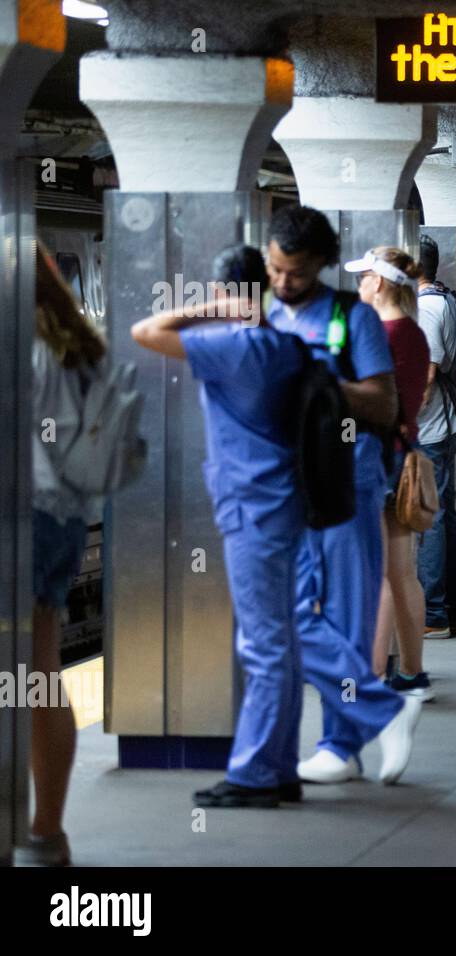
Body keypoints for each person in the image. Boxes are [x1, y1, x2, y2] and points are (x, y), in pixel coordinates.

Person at [130, 246, 312, 809]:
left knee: (261, 643)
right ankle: (279, 766)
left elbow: (146, 330)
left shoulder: (230, 346)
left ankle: (256, 772)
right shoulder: (286, 343)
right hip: (285, 504)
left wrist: (211, 309)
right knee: (281, 637)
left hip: (251, 508)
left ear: (226, 292)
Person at [265, 207, 422, 785]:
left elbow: (384, 404)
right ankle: (380, 709)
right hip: (286, 487)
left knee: (348, 616)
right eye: (277, 270)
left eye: (298, 273)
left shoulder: (350, 319)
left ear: (323, 267)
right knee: (286, 614)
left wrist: (320, 383)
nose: (285, 284)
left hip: (346, 483)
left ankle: (341, 743)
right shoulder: (267, 314)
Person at [19, 243, 109, 863]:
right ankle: (47, 833)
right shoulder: (81, 347)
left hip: (17, 518)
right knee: (41, 673)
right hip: (63, 522)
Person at [348, 247, 436, 702]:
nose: (359, 284)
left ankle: (372, 676)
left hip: (375, 457)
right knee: (402, 573)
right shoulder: (414, 333)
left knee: (375, 575)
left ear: (378, 283)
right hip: (405, 454)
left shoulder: (380, 333)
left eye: (363, 276)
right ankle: (413, 674)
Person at [414, 236, 456, 638]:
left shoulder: (426, 310)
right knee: (444, 515)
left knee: (430, 518)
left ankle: (434, 613)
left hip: (428, 430)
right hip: (443, 426)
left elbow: (426, 375)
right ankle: (454, 608)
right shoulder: (445, 301)